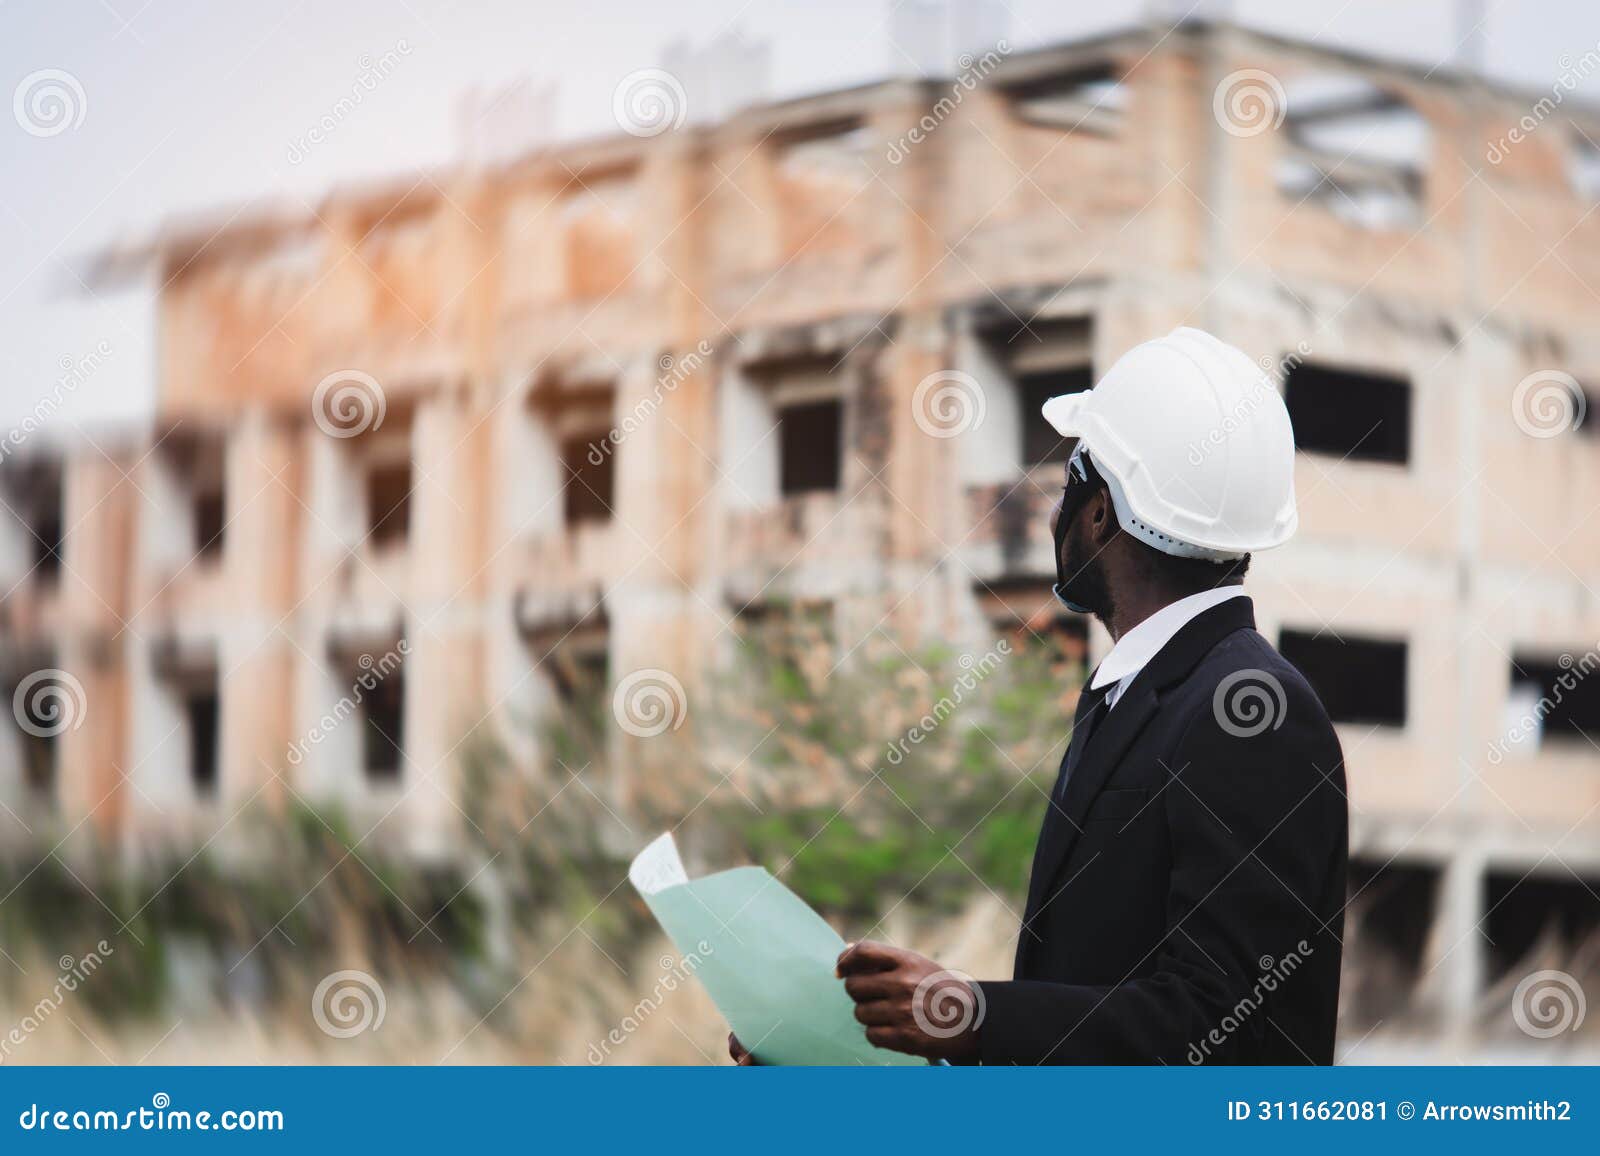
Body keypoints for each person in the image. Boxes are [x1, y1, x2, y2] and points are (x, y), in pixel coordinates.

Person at [730, 327, 1348, 1065]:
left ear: (1100, 514)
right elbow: (1099, 1000)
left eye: (1069, 483)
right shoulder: (1141, 694)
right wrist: (856, 1040)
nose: (1057, 511)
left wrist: (974, 1015)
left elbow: (1226, 1024)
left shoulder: (1253, 715)